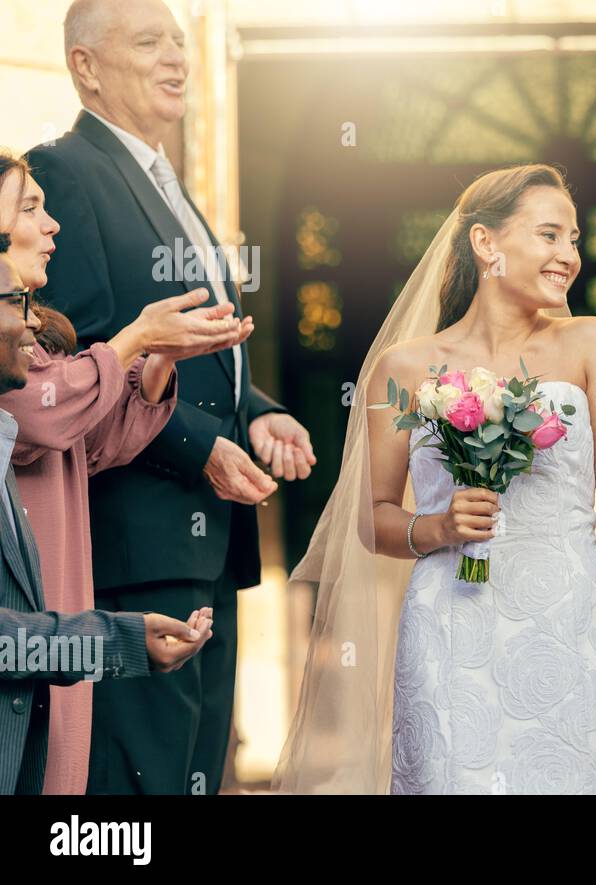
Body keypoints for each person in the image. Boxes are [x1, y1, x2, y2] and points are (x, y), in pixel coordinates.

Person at [274, 164, 596, 794]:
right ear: (486, 244)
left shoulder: (590, 343)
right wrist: (435, 525)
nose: (569, 256)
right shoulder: (404, 367)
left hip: (569, 621)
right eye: (550, 235)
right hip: (450, 622)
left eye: (574, 240)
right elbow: (372, 517)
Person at [24, 0, 316, 794]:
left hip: (210, 544)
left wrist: (258, 413)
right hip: (134, 543)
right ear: (85, 66)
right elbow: (77, 351)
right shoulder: (66, 172)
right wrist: (201, 448)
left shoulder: (164, 177)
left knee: (198, 771)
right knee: (137, 788)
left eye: (181, 43)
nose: (177, 59)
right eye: (149, 42)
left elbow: (195, 348)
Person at [0, 151, 249, 794]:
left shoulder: (40, 333)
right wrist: (138, 335)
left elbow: (96, 439)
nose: (52, 225)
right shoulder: (10, 354)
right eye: (30, 208)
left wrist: (160, 360)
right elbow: (43, 417)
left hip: (63, 610)